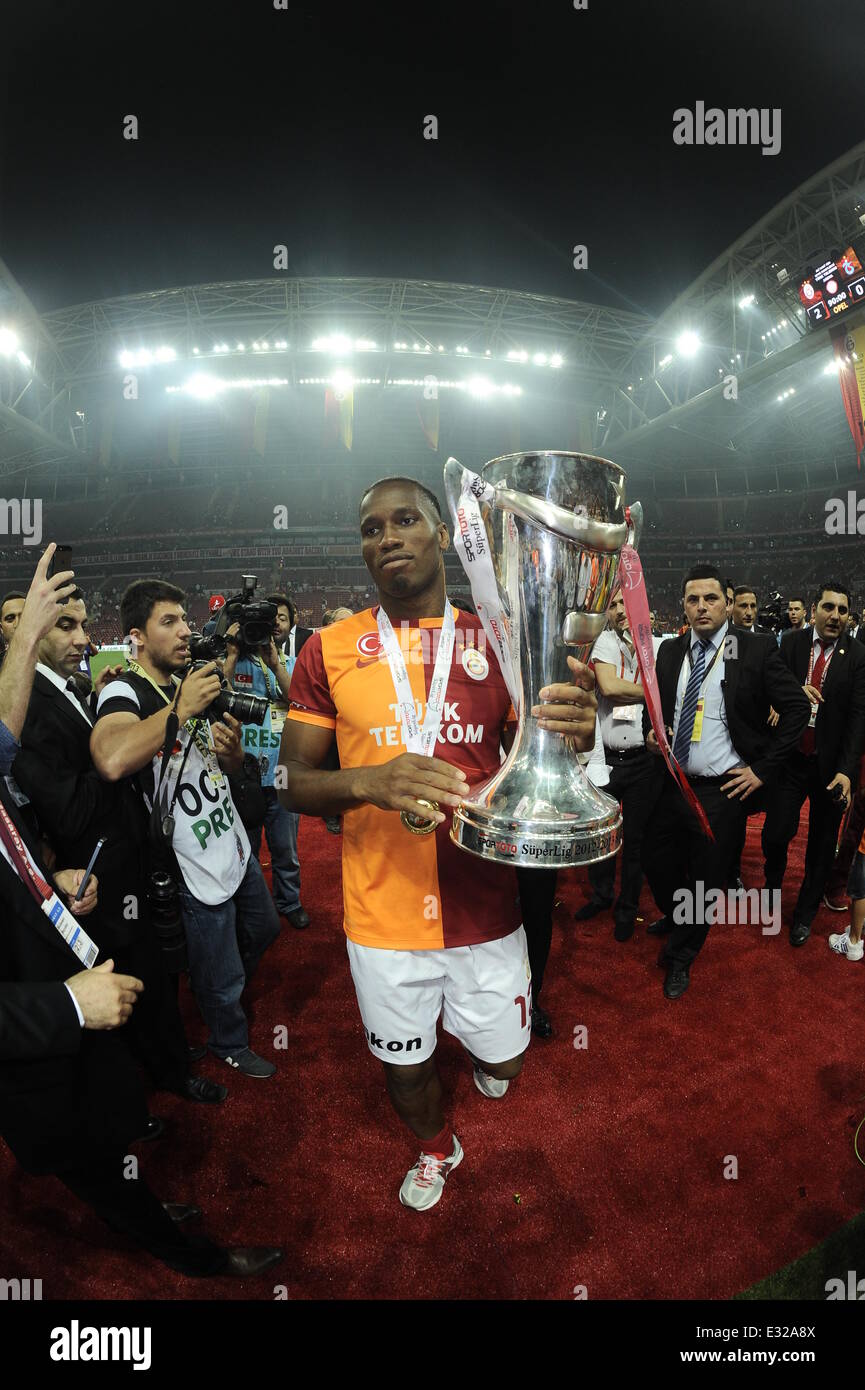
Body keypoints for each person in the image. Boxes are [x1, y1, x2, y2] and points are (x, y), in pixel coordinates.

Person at [278, 476, 597, 1209]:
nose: (386, 536)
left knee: (507, 1063)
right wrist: (366, 783)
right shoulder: (327, 650)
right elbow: (290, 781)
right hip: (380, 915)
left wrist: (572, 737)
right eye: (369, 528)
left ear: (444, 535)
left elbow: (537, 757)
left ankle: (488, 1057)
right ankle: (434, 1149)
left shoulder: (504, 639)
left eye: (404, 520)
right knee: (405, 1068)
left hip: (483, 905)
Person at [0, 547, 281, 1279]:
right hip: (32, 1023)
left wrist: (47, 877)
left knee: (104, 1108)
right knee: (83, 1146)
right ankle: (192, 1257)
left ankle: (144, 1193)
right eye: (170, 620)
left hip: (62, 925)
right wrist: (64, 1005)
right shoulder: (121, 689)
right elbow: (93, 768)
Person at [12, 577, 225, 1104]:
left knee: (148, 975)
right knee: (133, 979)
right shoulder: (30, 708)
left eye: (84, 625)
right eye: (67, 626)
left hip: (126, 863)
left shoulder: (74, 689)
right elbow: (69, 807)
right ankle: (159, 1085)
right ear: (35, 634)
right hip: (96, 880)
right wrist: (119, 763)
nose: (83, 638)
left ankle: (165, 1066)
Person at [90, 580, 282, 1078]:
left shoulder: (182, 682)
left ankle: (211, 987)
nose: (184, 631)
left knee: (265, 928)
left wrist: (233, 752)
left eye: (184, 619)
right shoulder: (122, 688)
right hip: (188, 856)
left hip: (228, 836)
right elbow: (111, 758)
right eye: (168, 622)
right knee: (222, 969)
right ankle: (228, 1038)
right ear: (136, 636)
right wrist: (181, 709)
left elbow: (226, 763)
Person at [641, 564, 810, 999]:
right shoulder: (670, 651)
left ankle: (681, 956)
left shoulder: (750, 649)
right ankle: (678, 917)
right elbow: (657, 703)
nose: (702, 607)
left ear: (728, 604)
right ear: (682, 604)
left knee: (703, 883)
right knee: (656, 863)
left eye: (711, 598)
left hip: (722, 791)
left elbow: (795, 709)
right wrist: (650, 730)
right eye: (693, 599)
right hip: (672, 782)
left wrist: (762, 769)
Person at [761, 582, 865, 946]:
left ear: (848, 615)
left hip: (830, 767)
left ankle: (804, 914)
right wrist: (790, 692)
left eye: (842, 610)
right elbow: (765, 686)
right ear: (814, 610)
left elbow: (858, 718)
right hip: (790, 760)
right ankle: (770, 894)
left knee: (821, 847)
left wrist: (847, 771)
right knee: (775, 834)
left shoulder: (857, 655)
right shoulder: (790, 644)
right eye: (828, 607)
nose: (835, 615)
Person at [575, 586, 663, 941]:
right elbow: (610, 688)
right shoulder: (604, 643)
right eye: (612, 605)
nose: (619, 610)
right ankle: (601, 895)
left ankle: (627, 908)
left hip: (644, 762)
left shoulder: (657, 647)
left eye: (625, 603)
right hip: (605, 761)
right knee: (602, 835)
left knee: (636, 840)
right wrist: (654, 689)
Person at [222, 593, 310, 929]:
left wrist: (274, 664)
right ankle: (252, 905)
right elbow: (217, 694)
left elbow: (298, 700)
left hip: (282, 773)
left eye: (277, 623)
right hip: (244, 775)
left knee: (285, 849)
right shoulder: (235, 662)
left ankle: (289, 902)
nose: (268, 631)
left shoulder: (289, 663)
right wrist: (231, 654)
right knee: (247, 848)